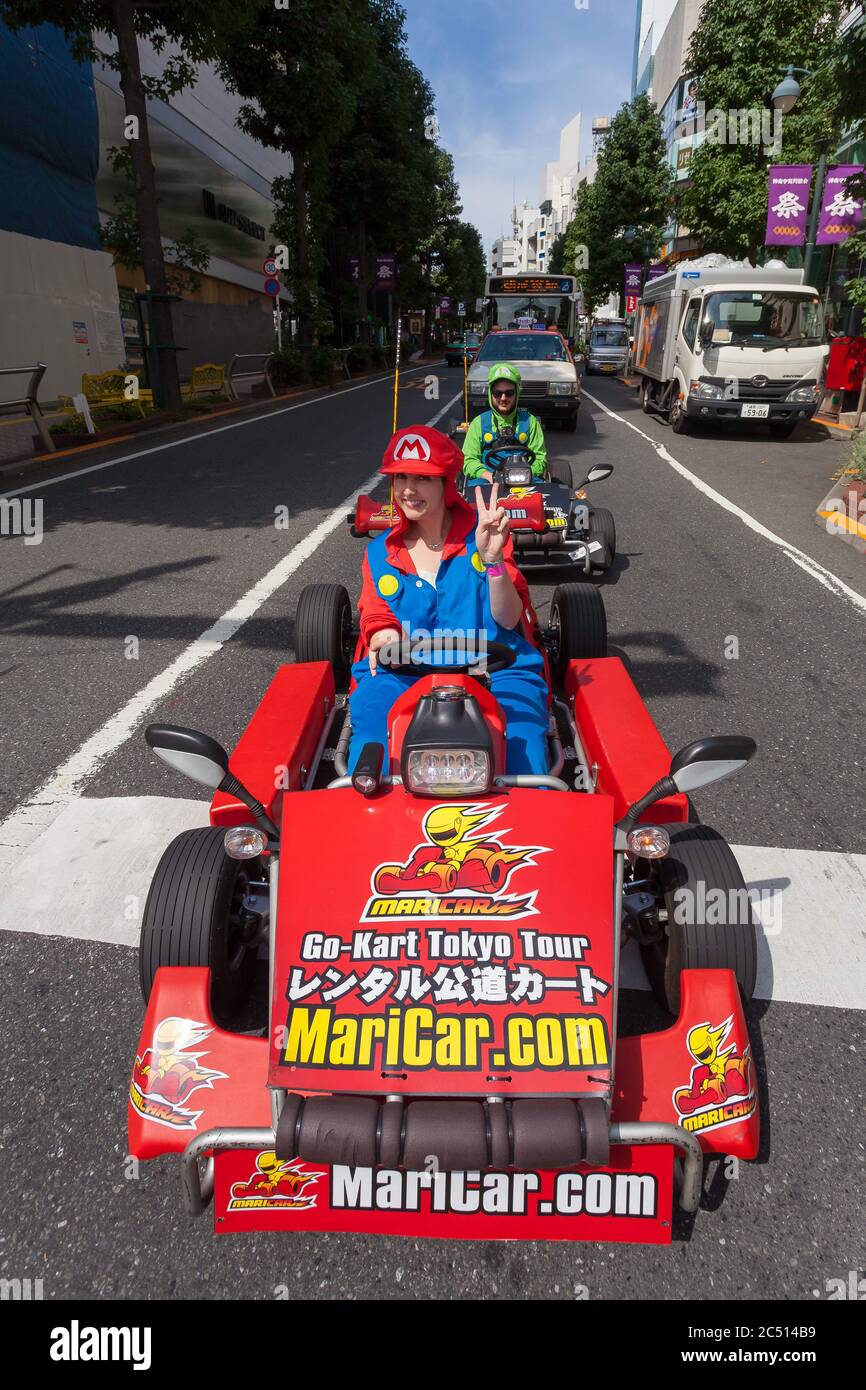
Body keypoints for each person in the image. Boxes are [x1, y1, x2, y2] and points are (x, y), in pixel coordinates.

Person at [348, 425, 549, 776]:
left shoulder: (484, 537)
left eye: (422, 479)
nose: (408, 490)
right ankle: (365, 809)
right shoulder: (379, 554)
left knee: (520, 742)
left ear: (447, 484)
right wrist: (383, 635)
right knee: (372, 732)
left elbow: (508, 617)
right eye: (400, 478)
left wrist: (493, 561)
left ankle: (530, 811)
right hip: (405, 673)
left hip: (494, 670)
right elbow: (376, 614)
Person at [461, 362, 548, 482]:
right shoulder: (478, 423)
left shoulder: (531, 422)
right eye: (498, 393)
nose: (503, 398)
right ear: (491, 393)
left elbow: (540, 459)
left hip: (525, 478)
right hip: (488, 480)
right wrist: (487, 475)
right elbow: (468, 460)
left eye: (509, 393)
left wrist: (526, 473)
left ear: (516, 392)